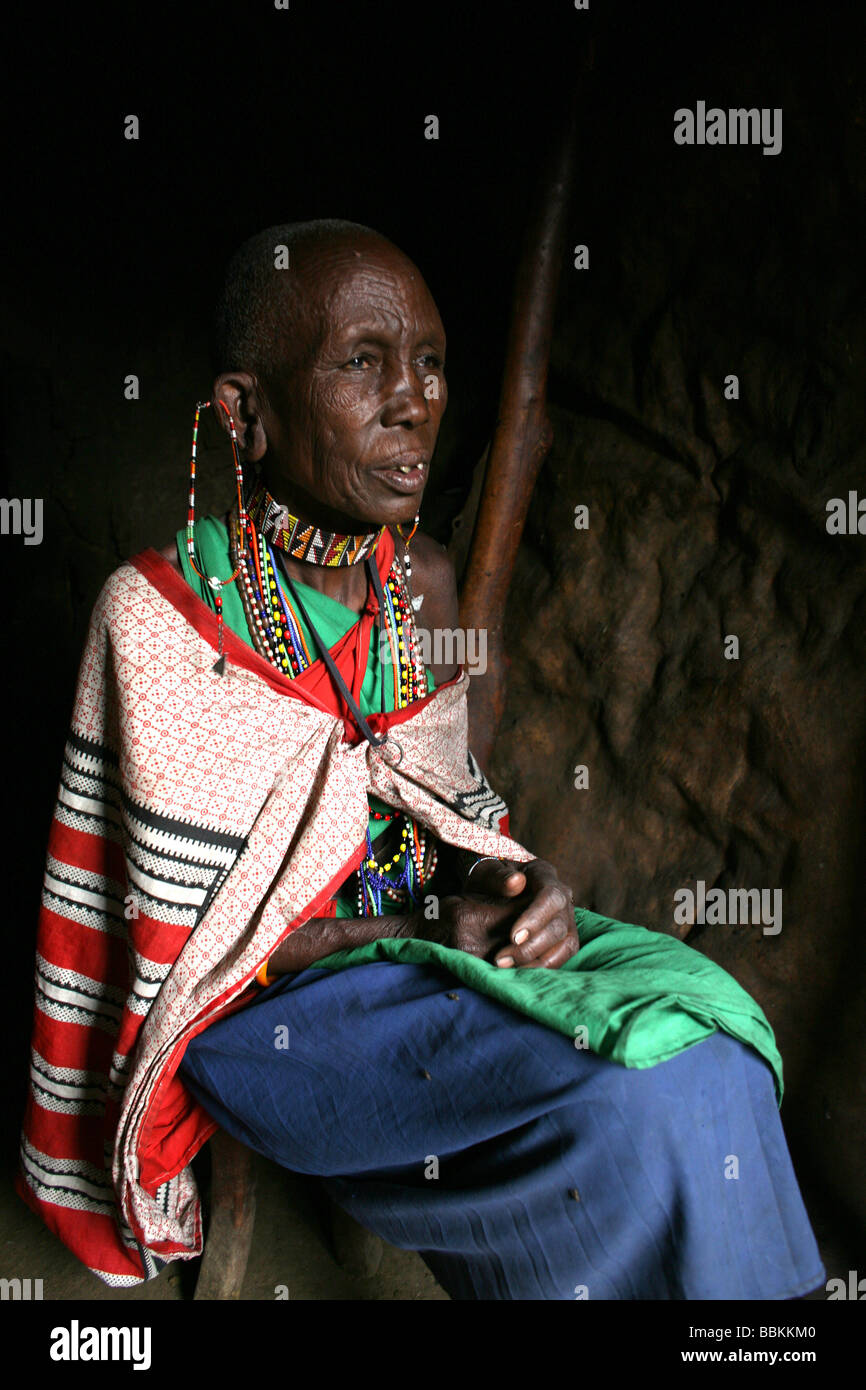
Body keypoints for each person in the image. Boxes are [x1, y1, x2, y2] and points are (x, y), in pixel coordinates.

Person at [18, 220, 825, 1300]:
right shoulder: (161, 616)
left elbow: (431, 813)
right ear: (244, 414)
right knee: (629, 1097)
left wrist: (506, 880)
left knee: (703, 1052)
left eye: (431, 362)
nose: (414, 400)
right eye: (361, 361)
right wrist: (415, 926)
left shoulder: (423, 589)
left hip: (421, 948)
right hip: (261, 1019)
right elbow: (195, 951)